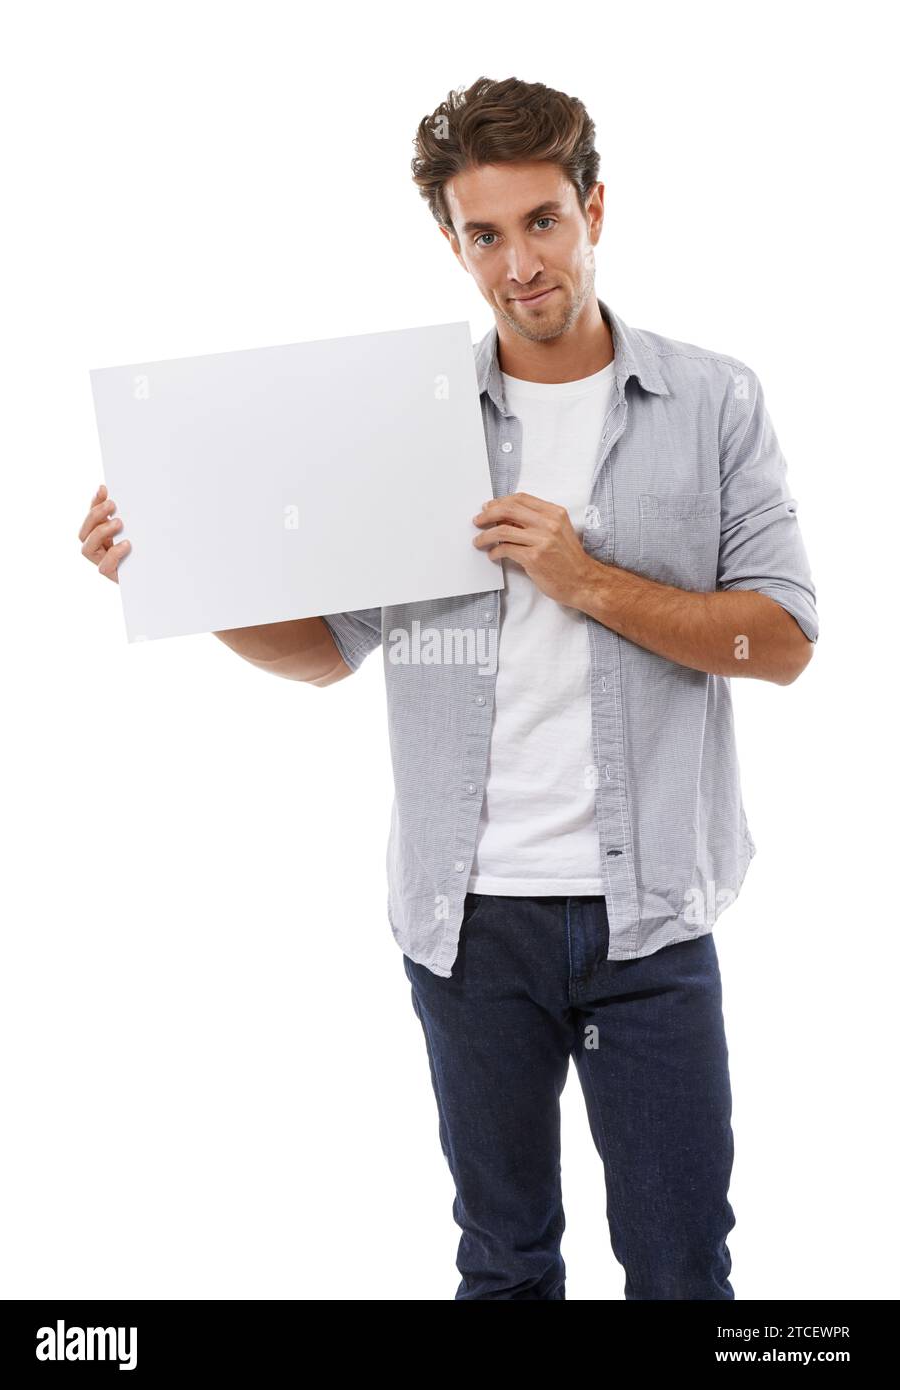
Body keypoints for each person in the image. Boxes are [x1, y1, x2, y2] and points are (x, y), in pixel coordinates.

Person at [79, 75, 819, 1301]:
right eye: (484, 234)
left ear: (592, 210)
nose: (519, 263)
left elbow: (781, 642)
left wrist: (586, 579)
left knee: (684, 1269)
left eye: (541, 222)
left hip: (650, 924)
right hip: (469, 927)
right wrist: (179, 572)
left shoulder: (712, 401)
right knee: (503, 1264)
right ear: (451, 242)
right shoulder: (412, 424)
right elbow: (325, 649)